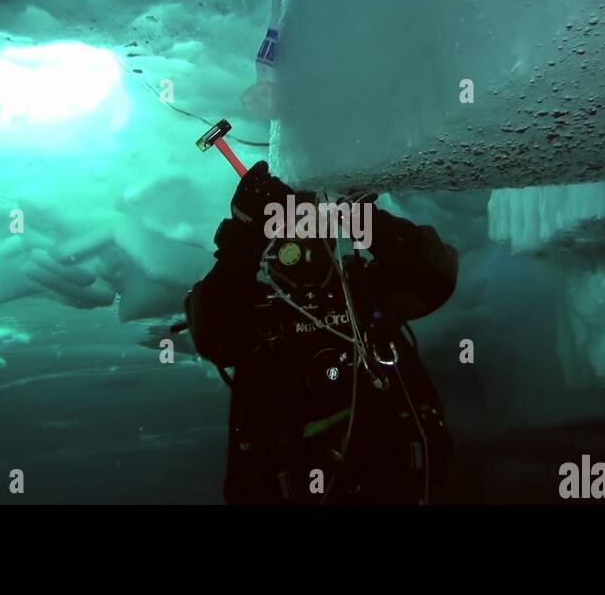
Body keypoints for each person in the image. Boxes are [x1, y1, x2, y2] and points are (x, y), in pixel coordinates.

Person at [185, 161, 458, 504]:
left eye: (313, 220)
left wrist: (366, 221)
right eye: (289, 223)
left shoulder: (361, 292)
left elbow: (434, 277)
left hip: (391, 483)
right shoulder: (257, 310)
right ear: (270, 240)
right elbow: (215, 335)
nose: (303, 234)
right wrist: (241, 238)